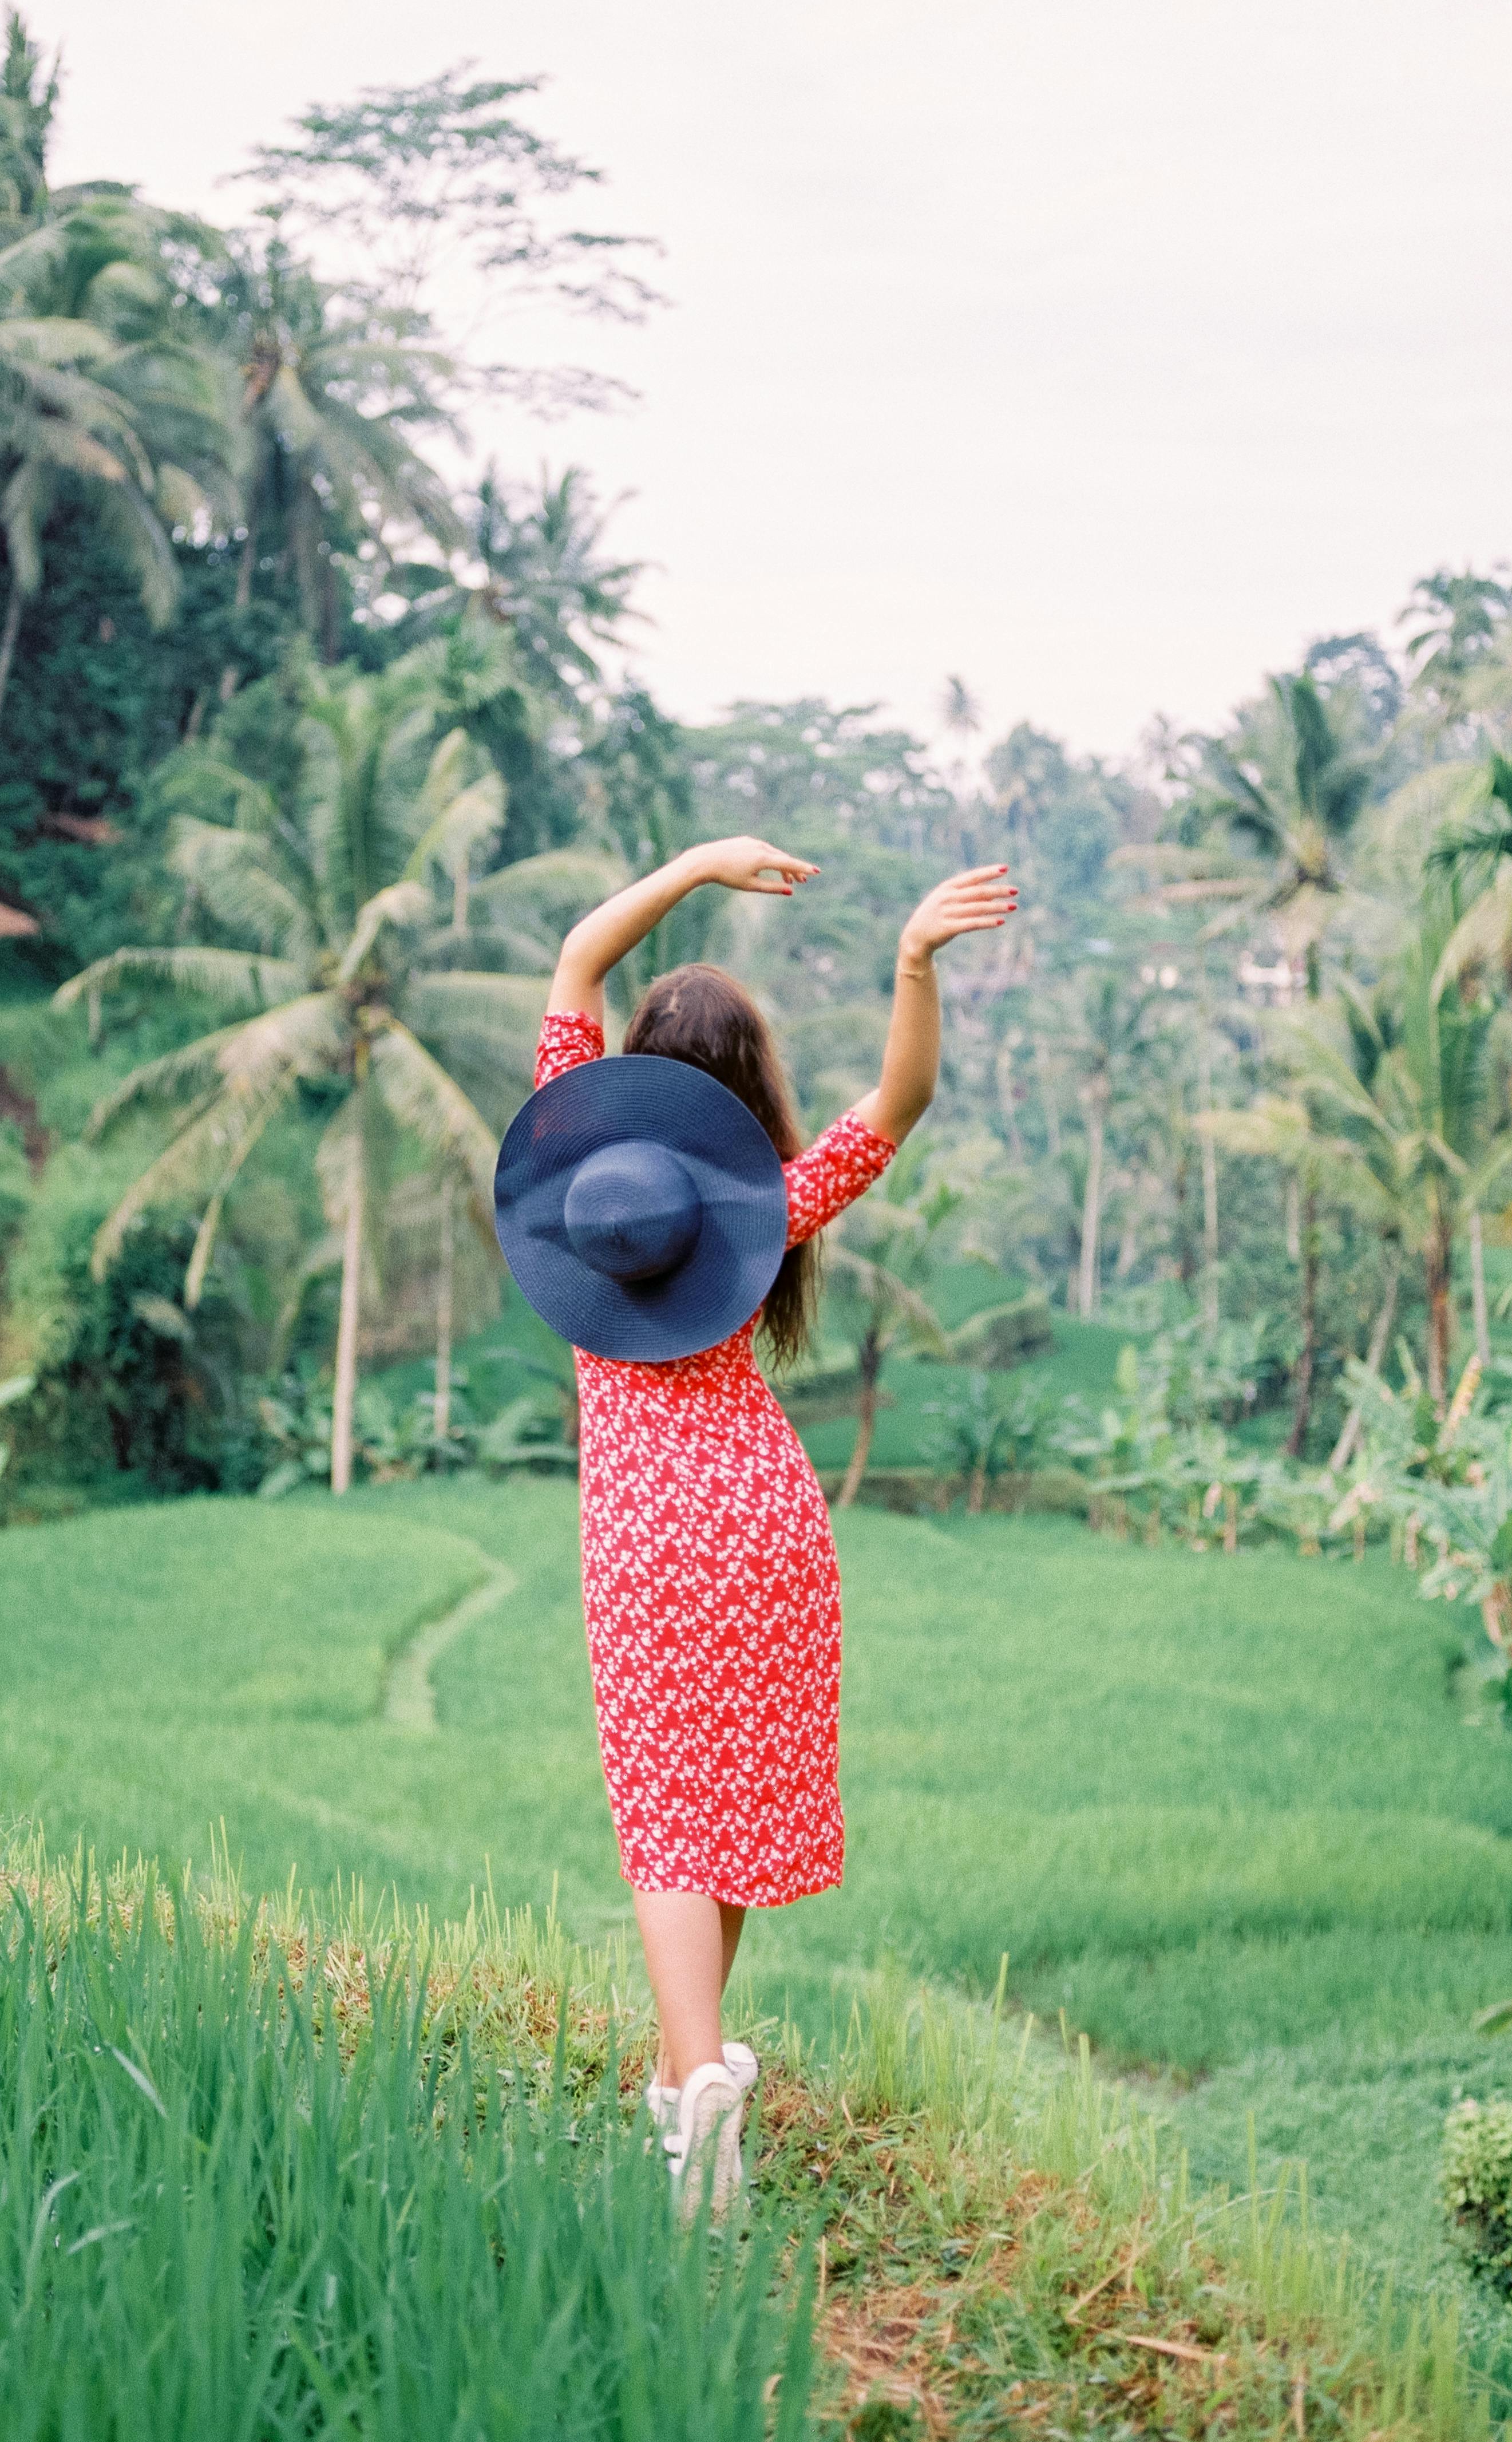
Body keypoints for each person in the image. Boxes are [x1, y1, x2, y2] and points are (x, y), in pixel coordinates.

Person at [533, 836, 1016, 2212]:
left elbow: (577, 956)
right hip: (767, 1518)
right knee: (723, 1805)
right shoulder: (763, 1204)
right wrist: (914, 959)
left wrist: (690, 869)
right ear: (747, 1094)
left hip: (646, 1531)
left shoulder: (577, 1180)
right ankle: (699, 2076)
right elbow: (898, 1102)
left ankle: (695, 2109)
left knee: (666, 1817)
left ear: (632, 1065)